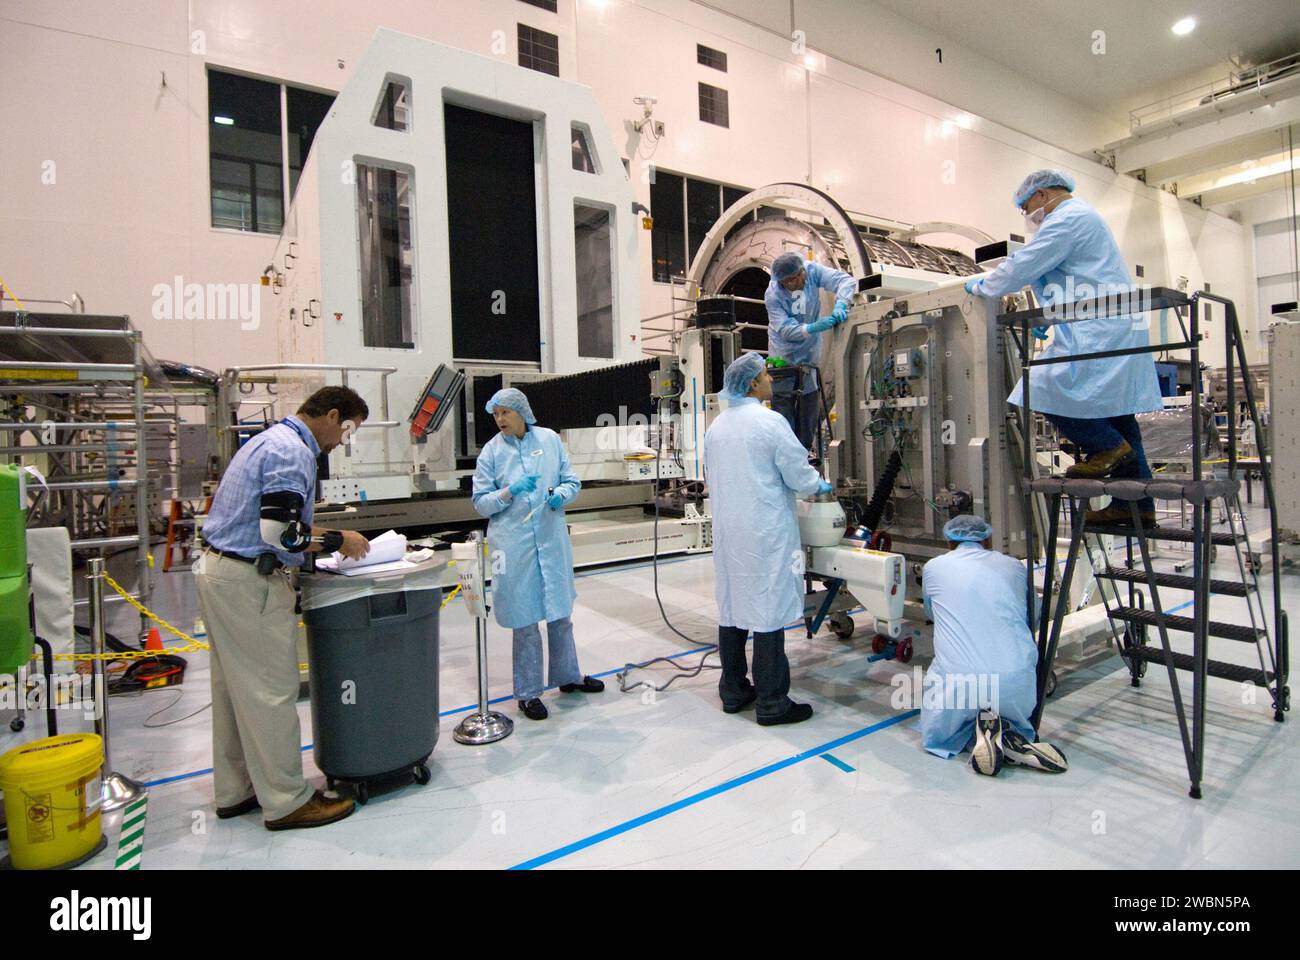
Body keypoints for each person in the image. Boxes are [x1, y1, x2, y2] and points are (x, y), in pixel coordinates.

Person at [197, 385, 372, 830]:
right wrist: (339, 540)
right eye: (346, 429)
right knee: (270, 693)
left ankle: (237, 790)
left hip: (220, 571)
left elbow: (275, 520)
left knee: (233, 692)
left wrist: (314, 529)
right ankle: (287, 801)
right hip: (248, 581)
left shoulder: (267, 440)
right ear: (331, 415)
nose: (341, 441)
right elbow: (282, 535)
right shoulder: (293, 452)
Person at [965, 169, 1163, 526]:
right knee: (1118, 415)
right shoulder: (1082, 219)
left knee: (1039, 385)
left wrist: (982, 286)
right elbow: (1069, 281)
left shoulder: (1068, 220)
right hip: (1107, 326)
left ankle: (1104, 447)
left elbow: (1025, 265)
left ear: (1042, 195)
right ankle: (1135, 506)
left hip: (1099, 329)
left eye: (1026, 207)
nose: (1028, 216)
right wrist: (1043, 320)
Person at [703, 353, 831, 725]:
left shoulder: (717, 427)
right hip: (765, 533)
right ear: (752, 384)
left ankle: (734, 690)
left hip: (730, 533)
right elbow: (797, 473)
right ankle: (773, 702)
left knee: (732, 608)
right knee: (768, 611)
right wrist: (818, 485)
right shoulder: (770, 422)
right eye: (765, 376)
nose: (771, 381)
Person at [471, 387, 603, 721]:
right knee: (526, 620)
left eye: (505, 413)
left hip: (551, 538)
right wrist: (508, 492)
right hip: (514, 544)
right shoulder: (491, 452)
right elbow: (480, 502)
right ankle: (528, 693)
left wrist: (560, 494)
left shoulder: (549, 441)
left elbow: (572, 481)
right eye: (496, 414)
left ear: (522, 412)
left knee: (561, 614)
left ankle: (568, 677)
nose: (500, 419)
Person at [921, 515, 1068, 777]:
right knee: (1009, 704)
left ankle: (976, 738)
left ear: (948, 542)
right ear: (987, 539)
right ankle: (1011, 737)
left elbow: (931, 614)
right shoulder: (1014, 567)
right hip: (1017, 682)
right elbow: (1031, 617)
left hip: (960, 683)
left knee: (939, 731)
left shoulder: (934, 567)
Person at [765, 251, 857, 451]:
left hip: (809, 359)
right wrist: (815, 327)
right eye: (786, 282)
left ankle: (805, 458)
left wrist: (841, 303)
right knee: (784, 420)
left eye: (794, 278)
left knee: (808, 416)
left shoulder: (812, 271)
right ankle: (785, 462)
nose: (792, 284)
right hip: (784, 360)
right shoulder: (773, 294)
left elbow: (846, 281)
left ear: (801, 272)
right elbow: (786, 330)